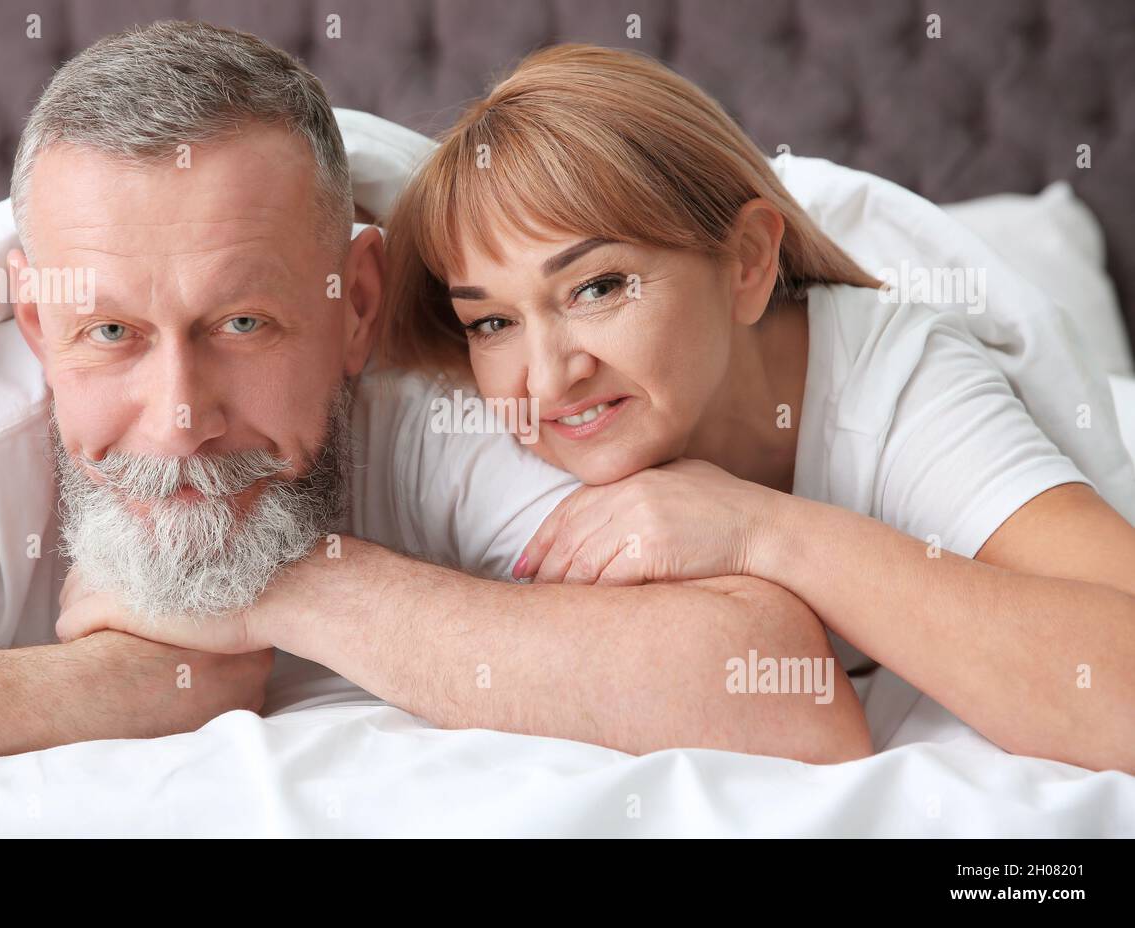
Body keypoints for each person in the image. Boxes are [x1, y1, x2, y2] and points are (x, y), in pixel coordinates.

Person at [0, 23, 868, 769]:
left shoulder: (450, 397)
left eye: (242, 323)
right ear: (33, 326)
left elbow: (783, 692)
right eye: (110, 334)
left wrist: (290, 587)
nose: (180, 416)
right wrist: (100, 689)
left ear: (357, 306)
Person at [361, 44, 1135, 773]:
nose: (549, 382)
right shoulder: (472, 426)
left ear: (747, 262)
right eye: (492, 321)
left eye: (596, 287)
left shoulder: (895, 381)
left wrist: (762, 530)